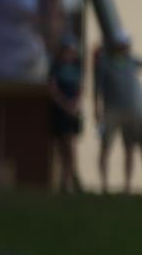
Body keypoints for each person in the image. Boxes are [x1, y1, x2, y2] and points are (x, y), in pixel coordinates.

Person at [93, 32, 142, 194]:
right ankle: (104, 186)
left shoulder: (132, 61)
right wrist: (96, 109)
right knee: (105, 147)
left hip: (133, 111)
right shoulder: (104, 63)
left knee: (130, 148)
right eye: (122, 45)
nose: (125, 47)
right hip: (111, 111)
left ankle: (127, 187)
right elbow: (97, 88)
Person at [48, 36, 85, 193]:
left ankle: (69, 180)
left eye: (72, 51)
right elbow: (53, 89)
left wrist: (74, 105)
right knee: (60, 147)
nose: (69, 54)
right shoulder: (56, 67)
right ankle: (61, 180)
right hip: (59, 111)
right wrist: (65, 105)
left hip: (72, 112)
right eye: (67, 51)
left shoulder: (77, 68)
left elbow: (80, 89)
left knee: (70, 145)